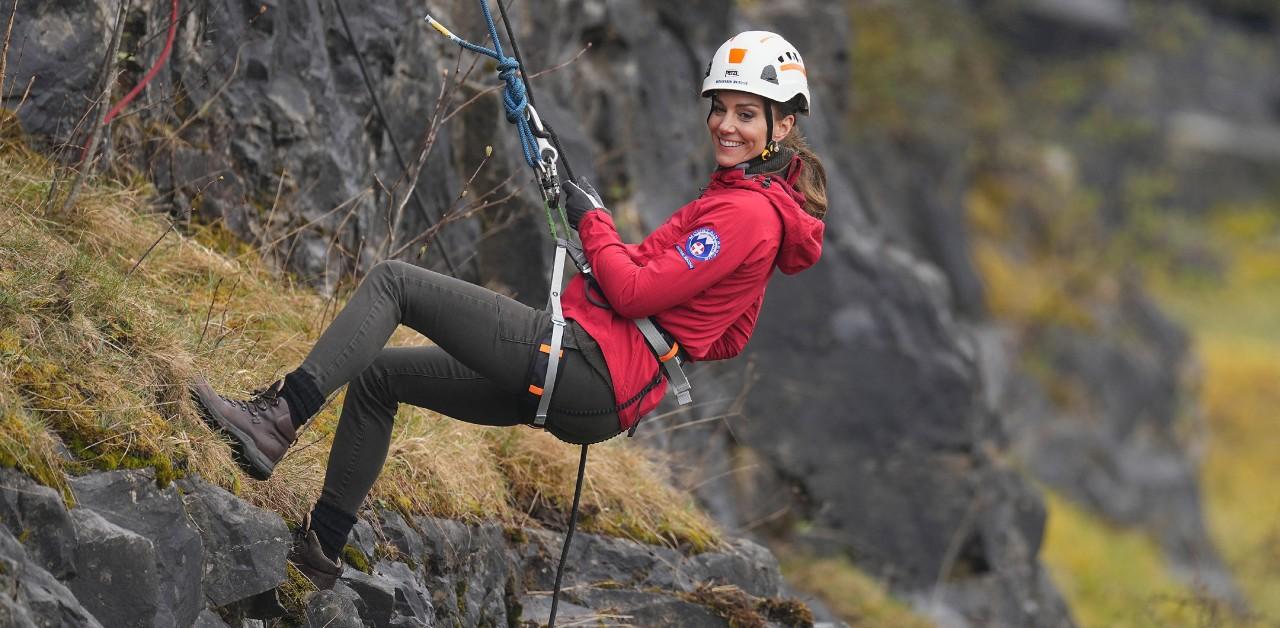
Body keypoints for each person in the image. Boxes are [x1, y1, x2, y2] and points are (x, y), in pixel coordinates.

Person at [190, 30, 826, 590]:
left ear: (784, 126)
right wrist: (655, 342)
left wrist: (597, 226)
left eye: (748, 114)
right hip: (598, 386)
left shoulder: (744, 214)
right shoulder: (756, 208)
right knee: (380, 378)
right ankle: (322, 549)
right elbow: (730, 332)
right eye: (721, 110)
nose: (727, 125)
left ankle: (277, 419)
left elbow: (635, 292)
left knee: (394, 284)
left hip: (584, 365)